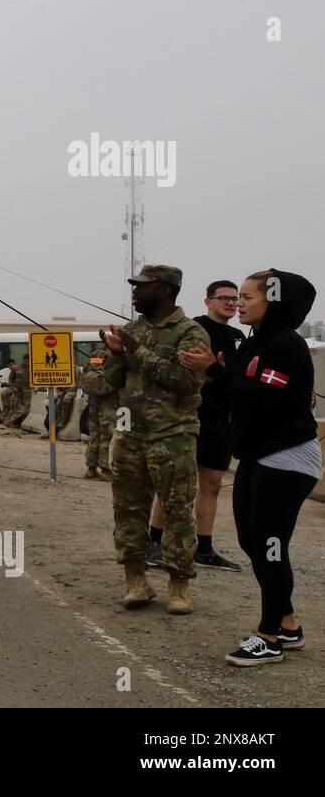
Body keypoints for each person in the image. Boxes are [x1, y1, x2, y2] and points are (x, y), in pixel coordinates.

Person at [181, 270, 319, 667]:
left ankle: (269, 635)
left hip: (288, 457)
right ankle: (288, 624)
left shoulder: (286, 346)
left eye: (248, 296)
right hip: (257, 455)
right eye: (237, 296)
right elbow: (232, 398)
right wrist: (211, 373)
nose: (239, 303)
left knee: (272, 547)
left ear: (273, 300)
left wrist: (215, 373)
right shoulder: (253, 344)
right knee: (251, 542)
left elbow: (262, 400)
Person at [99, 265, 207, 614]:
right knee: (128, 510)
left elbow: (187, 381)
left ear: (166, 290)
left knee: (177, 511)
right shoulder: (131, 331)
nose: (134, 292)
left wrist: (138, 353)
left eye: (142, 287)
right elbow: (109, 383)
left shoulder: (190, 333)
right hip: (131, 434)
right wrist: (117, 354)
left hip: (172, 436)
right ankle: (136, 580)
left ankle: (179, 585)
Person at [147, 280, 245, 571]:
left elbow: (236, 379)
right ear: (208, 301)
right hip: (190, 418)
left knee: (212, 485)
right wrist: (217, 371)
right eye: (223, 298)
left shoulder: (239, 336)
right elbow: (191, 370)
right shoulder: (193, 330)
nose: (230, 303)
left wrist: (221, 373)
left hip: (222, 421)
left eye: (235, 298)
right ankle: (154, 541)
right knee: (176, 484)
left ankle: (204, 547)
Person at [79, 343, 117, 480]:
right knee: (107, 433)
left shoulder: (95, 356)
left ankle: (91, 468)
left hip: (94, 401)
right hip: (110, 401)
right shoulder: (115, 356)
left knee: (94, 434)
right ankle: (106, 469)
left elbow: (85, 373)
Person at [4, 354, 33, 428]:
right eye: (26, 361)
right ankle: (11, 421)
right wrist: (13, 387)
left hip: (26, 391)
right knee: (19, 407)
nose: (27, 362)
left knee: (24, 408)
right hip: (19, 391)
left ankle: (15, 422)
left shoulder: (30, 367)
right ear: (24, 360)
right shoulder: (17, 369)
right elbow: (11, 379)